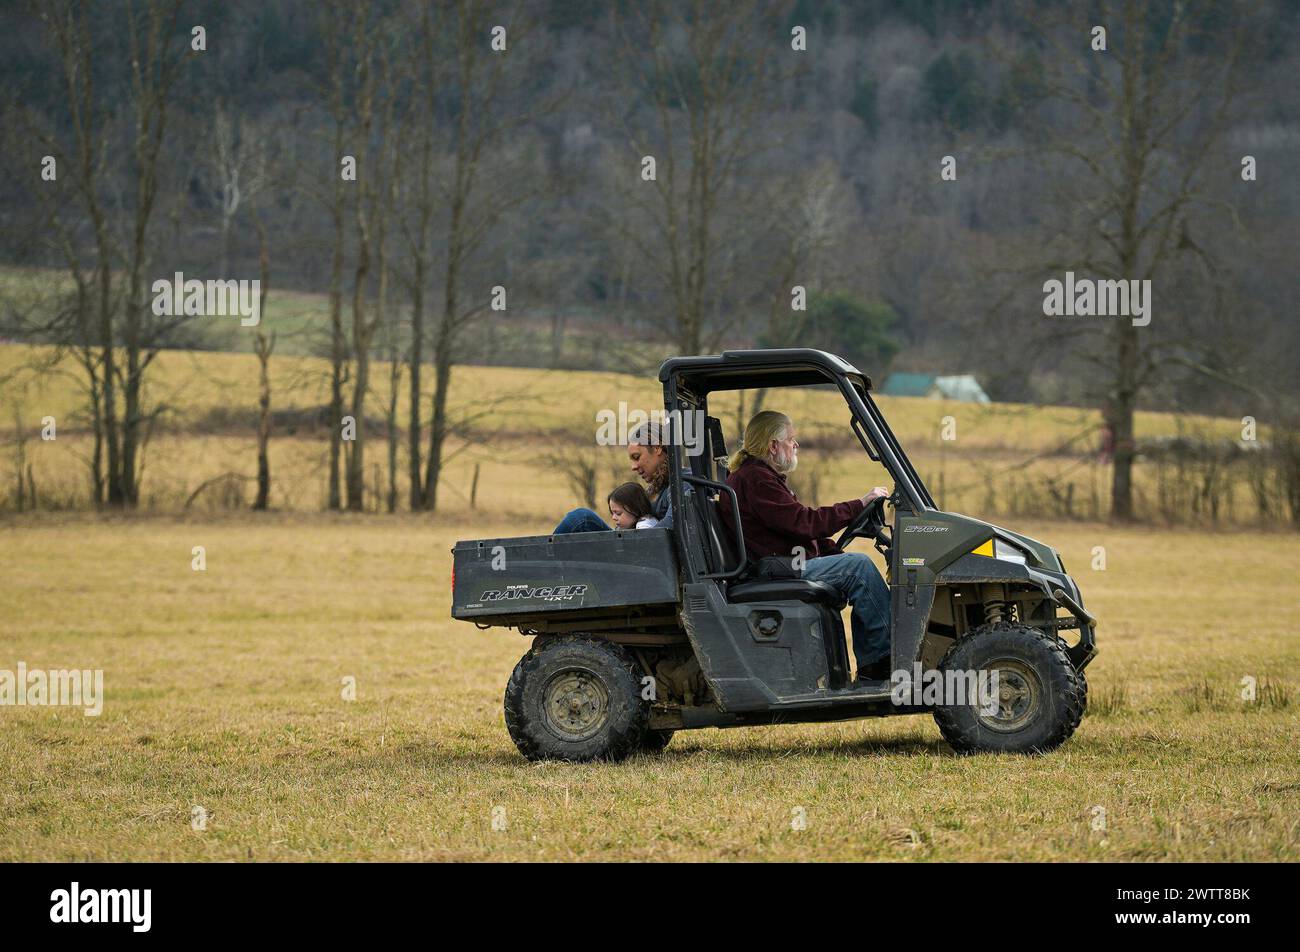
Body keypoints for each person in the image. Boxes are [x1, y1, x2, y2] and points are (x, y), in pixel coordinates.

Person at [721, 410, 892, 682]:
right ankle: (882, 663)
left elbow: (796, 529)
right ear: (773, 445)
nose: (796, 445)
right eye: (791, 439)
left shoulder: (760, 478)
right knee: (859, 568)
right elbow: (805, 522)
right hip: (776, 569)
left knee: (853, 564)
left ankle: (876, 664)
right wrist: (858, 504)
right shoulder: (756, 480)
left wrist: (833, 551)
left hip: (782, 564)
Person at [553, 422, 674, 533]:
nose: (633, 467)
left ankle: (539, 555)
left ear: (657, 448)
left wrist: (638, 537)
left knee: (582, 519)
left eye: (637, 457)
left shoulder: (679, 485)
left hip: (643, 548)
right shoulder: (655, 489)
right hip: (636, 542)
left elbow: (671, 525)